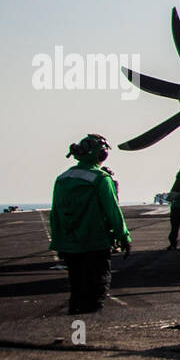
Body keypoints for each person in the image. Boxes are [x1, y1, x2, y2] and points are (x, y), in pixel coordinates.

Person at [49, 134, 131, 314]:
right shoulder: (101, 178)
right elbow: (113, 211)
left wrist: (57, 242)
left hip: (70, 245)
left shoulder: (63, 178)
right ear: (101, 155)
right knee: (97, 288)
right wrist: (123, 237)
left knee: (77, 288)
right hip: (95, 243)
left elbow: (55, 212)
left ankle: (75, 330)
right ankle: (88, 328)